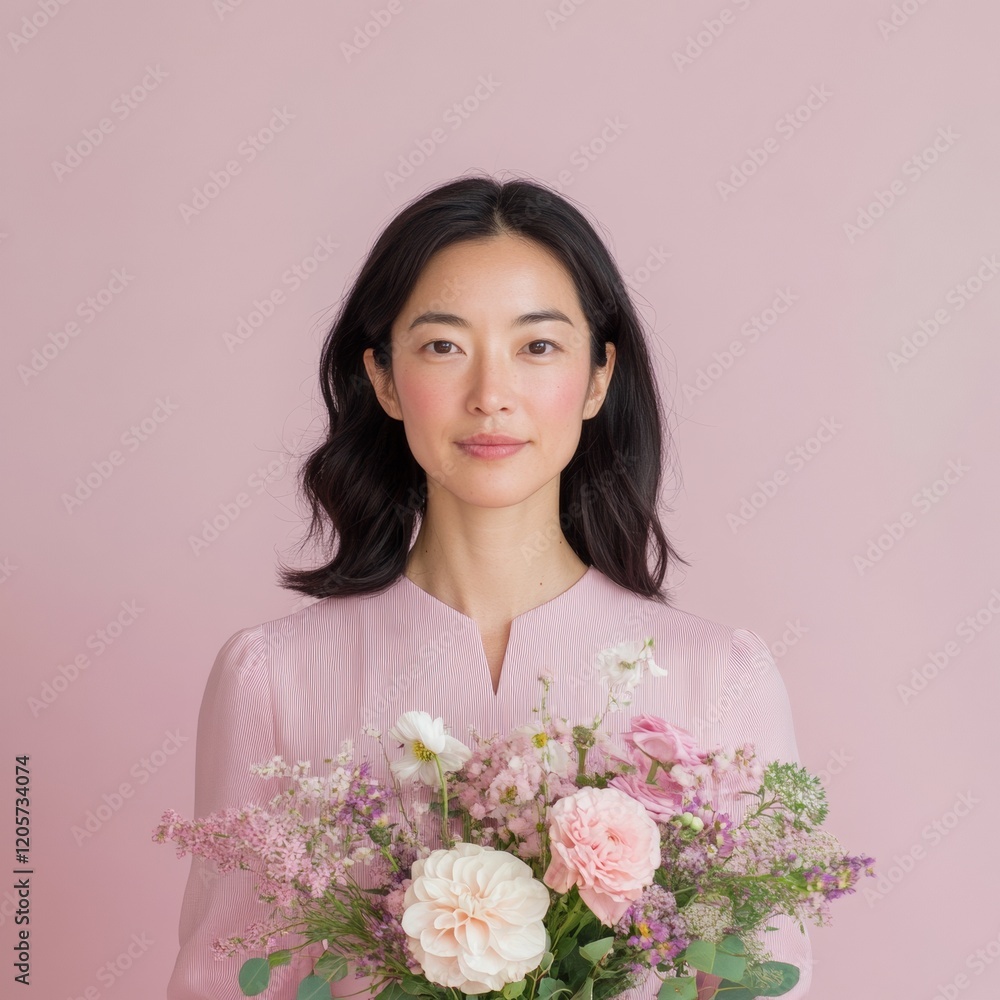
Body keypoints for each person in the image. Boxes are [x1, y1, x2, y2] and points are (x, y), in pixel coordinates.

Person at [165, 175, 812, 999]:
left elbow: (765, 978)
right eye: (444, 346)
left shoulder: (719, 678)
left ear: (598, 378)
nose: (490, 395)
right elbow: (227, 977)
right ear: (386, 379)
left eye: (537, 346)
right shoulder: (274, 677)